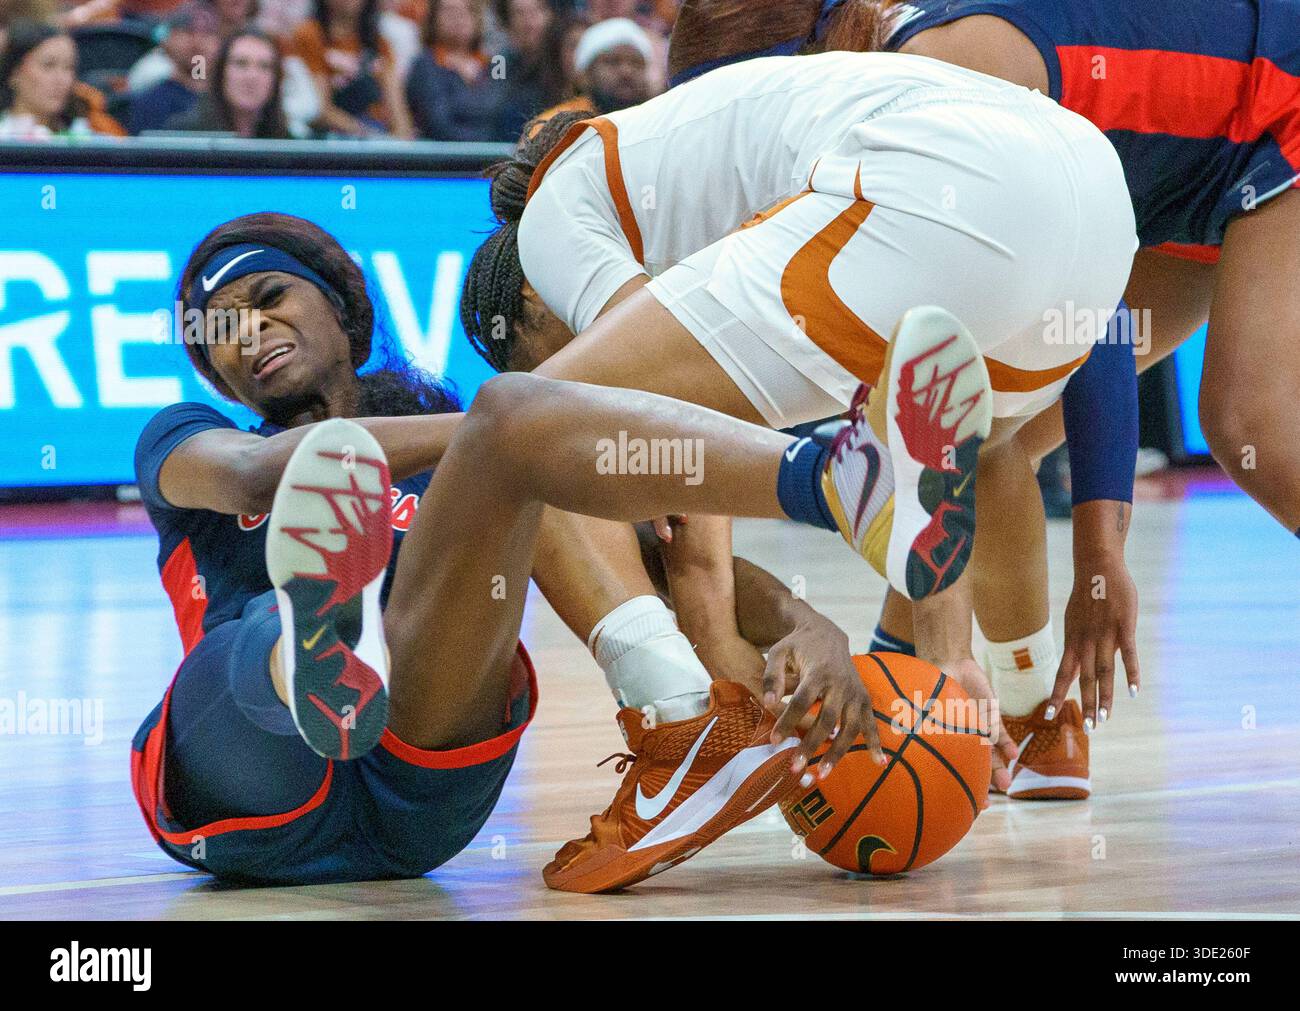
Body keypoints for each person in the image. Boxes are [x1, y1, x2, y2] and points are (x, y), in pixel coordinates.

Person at [131, 210, 953, 892]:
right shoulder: (184, 438)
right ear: (220, 378)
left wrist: (808, 624)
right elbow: (253, 480)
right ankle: (316, 647)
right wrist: (517, 438)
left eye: (271, 296)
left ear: (345, 311)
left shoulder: (470, 461)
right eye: (224, 329)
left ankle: (832, 491)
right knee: (274, 621)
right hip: (252, 761)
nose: (252, 329)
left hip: (421, 769)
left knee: (521, 418)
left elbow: (667, 563)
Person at [666, 0, 1300, 798]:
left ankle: (949, 683)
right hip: (1191, 172)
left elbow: (1095, 314)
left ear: (796, 67)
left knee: (1250, 426)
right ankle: (1026, 716)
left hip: (1274, 94)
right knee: (990, 423)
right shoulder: (885, 82)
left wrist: (1100, 560)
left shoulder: (944, 75)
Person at [288, 0, 413, 137]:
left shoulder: (379, 43)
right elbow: (321, 110)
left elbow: (399, 114)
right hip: (331, 138)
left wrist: (399, 140)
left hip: (377, 134)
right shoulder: (308, 34)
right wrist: (370, 137)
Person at [0, 19, 124, 137]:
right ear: (14, 72)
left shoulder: (94, 132)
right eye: (48, 65)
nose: (61, 79)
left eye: (68, 67)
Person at [164, 27, 290, 137]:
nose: (252, 76)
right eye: (241, 63)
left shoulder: (289, 143)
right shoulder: (183, 135)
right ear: (221, 72)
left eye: (264, 66)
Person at [404, 0, 502, 141]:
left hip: (498, 155)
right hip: (445, 157)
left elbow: (503, 110)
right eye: (449, 11)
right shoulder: (424, 64)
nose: (458, 17)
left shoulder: (497, 63)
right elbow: (438, 124)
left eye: (467, 10)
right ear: (434, 18)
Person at [126, 3, 220, 135]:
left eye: (208, 33)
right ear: (168, 39)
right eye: (188, 31)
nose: (198, 42)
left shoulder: (229, 102)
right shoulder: (150, 103)